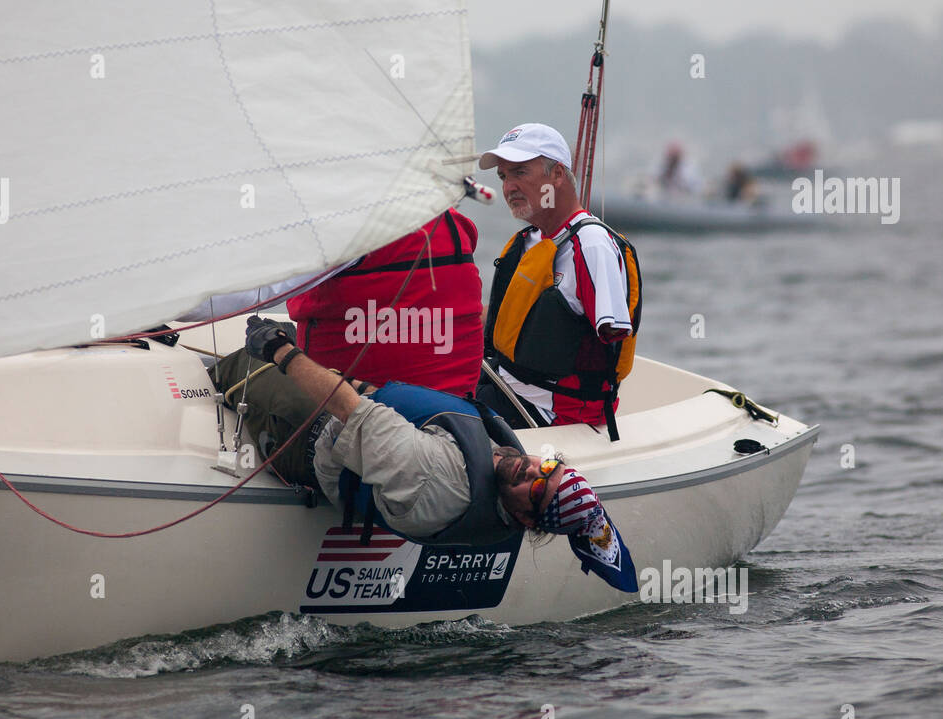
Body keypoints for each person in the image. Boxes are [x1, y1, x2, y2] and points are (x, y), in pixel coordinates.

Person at [215, 316, 637, 591]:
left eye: (536, 488)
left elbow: (349, 412)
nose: (529, 468)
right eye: (547, 465)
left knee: (227, 366)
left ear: (527, 519)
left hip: (306, 429)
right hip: (360, 408)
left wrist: (279, 350)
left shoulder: (437, 479)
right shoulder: (497, 481)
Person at [476, 123, 642, 441]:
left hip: (552, 416)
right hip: (502, 389)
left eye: (520, 172)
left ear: (558, 175)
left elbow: (611, 338)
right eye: (503, 177)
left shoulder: (591, 244)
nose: (508, 186)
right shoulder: (529, 239)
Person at [286, 209, 484, 396]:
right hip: (456, 412)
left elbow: (264, 291)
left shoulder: (352, 228)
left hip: (359, 414)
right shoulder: (456, 225)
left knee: (265, 375)